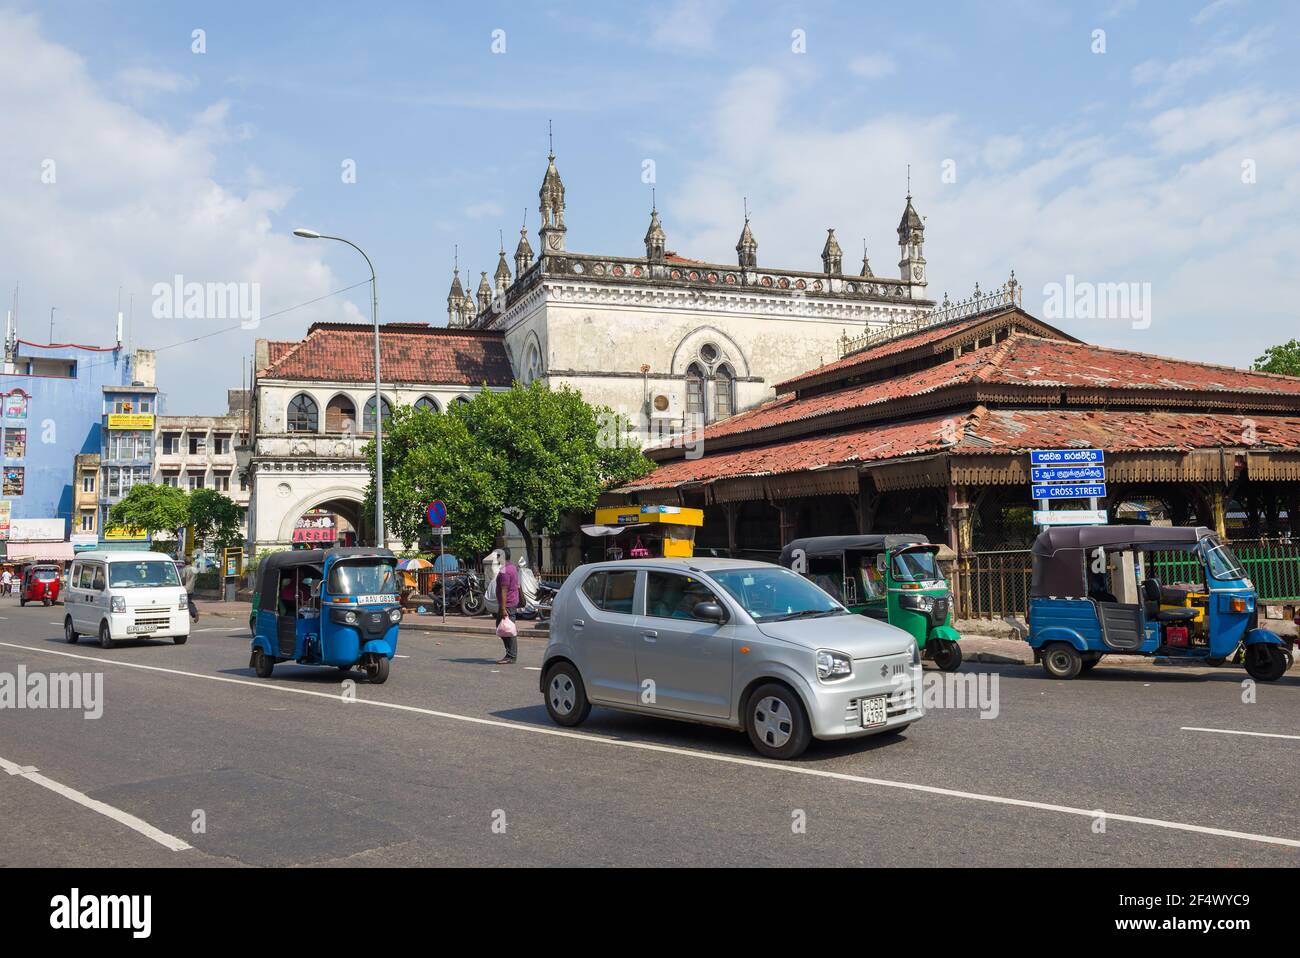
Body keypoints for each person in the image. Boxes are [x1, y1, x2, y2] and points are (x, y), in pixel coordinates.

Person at [493, 552, 521, 665]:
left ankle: (511, 656)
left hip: (508, 604)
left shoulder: (505, 570)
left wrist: (503, 608)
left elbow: (504, 589)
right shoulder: (512, 567)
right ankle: (510, 654)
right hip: (511, 601)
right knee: (503, 627)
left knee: (508, 630)